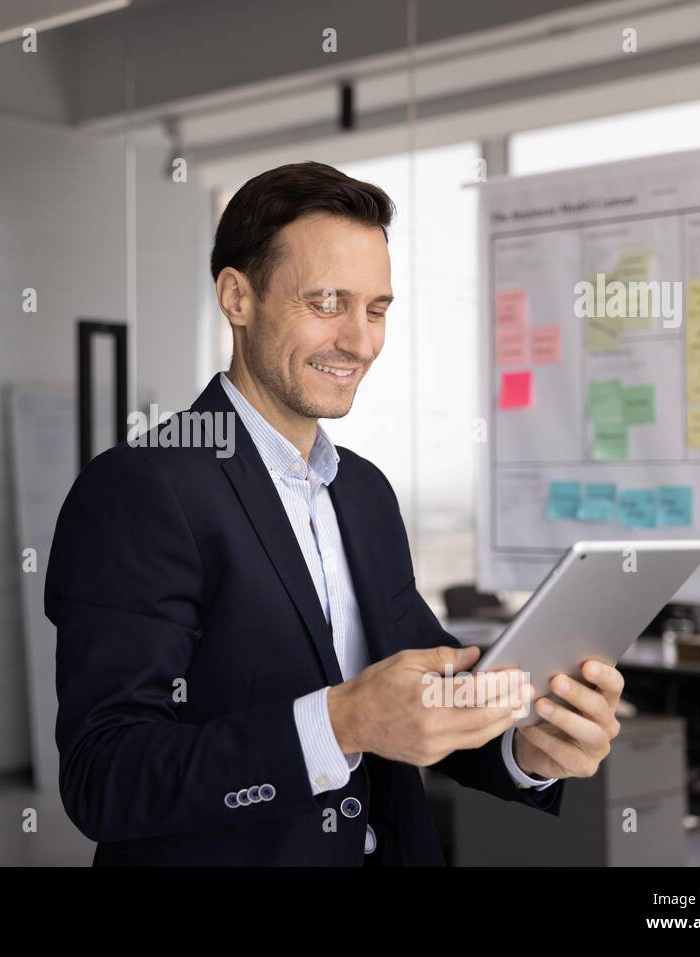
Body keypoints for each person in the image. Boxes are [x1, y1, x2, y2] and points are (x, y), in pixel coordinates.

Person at [45, 161, 624, 866]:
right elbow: (105, 775)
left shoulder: (365, 494)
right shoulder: (141, 489)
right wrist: (339, 722)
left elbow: (421, 702)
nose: (361, 340)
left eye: (376, 309)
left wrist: (525, 746)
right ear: (237, 296)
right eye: (327, 303)